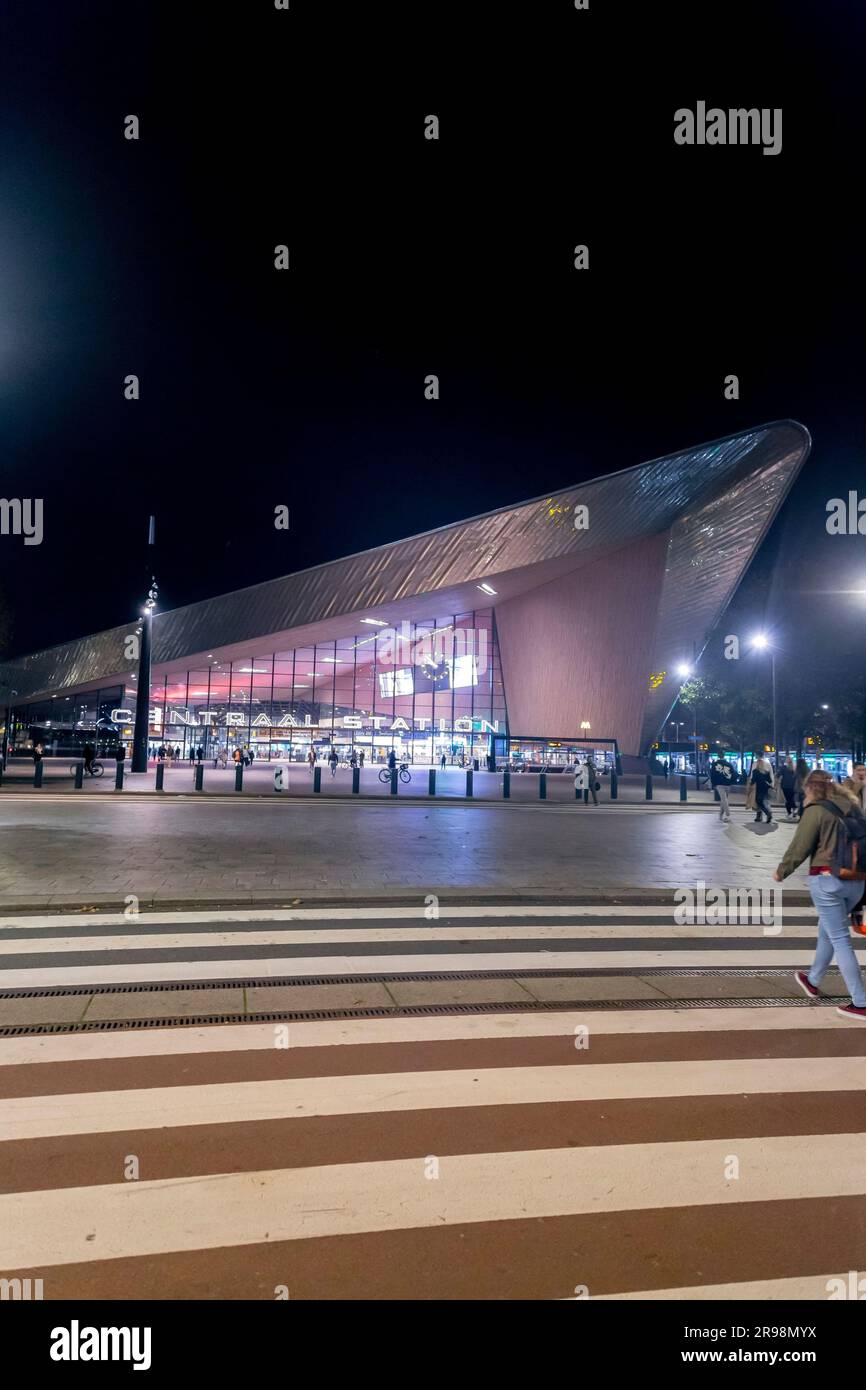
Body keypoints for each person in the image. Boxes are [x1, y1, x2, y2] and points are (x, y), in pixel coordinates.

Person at [774, 768, 866, 1022]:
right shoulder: (853, 806)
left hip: (828, 880)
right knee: (828, 928)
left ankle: (861, 1002)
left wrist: (782, 871)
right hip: (856, 882)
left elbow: (800, 846)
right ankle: (812, 979)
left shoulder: (815, 810)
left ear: (811, 788)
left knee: (840, 939)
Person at [709, 754, 735, 822]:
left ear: (718, 756)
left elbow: (712, 775)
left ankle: (727, 815)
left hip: (719, 784)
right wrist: (731, 782)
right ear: (724, 756)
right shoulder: (729, 764)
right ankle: (722, 815)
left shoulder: (715, 764)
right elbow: (733, 774)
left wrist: (713, 784)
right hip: (728, 784)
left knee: (724, 799)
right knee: (724, 799)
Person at [749, 755, 774, 823]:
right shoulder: (766, 771)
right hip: (765, 788)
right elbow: (770, 780)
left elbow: (753, 780)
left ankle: (767, 813)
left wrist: (750, 785)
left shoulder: (755, 771)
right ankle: (763, 815)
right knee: (764, 802)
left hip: (758, 788)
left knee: (759, 802)